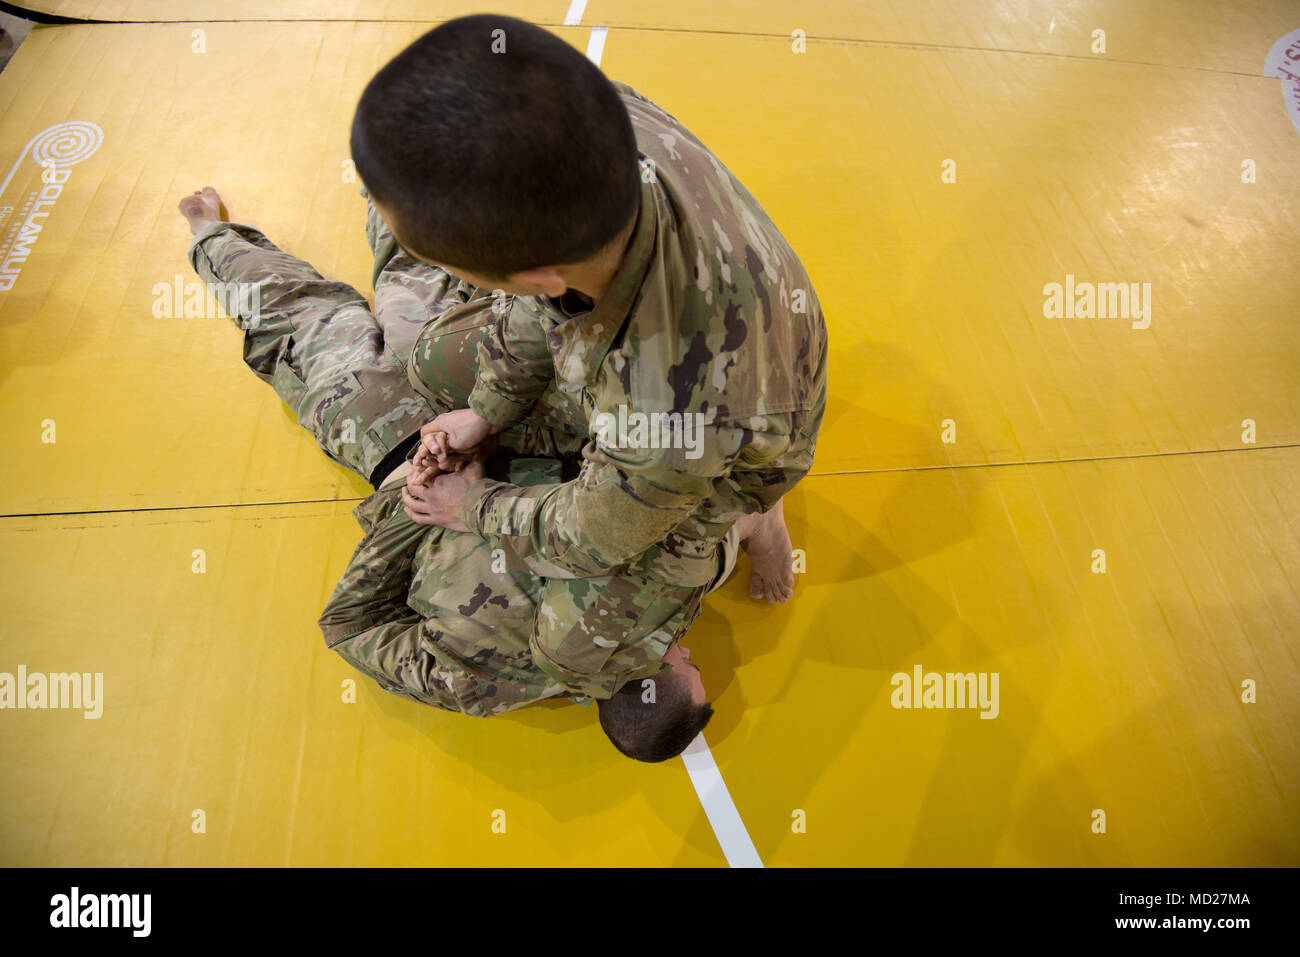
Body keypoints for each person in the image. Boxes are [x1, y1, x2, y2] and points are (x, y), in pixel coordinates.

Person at [177, 186, 750, 761]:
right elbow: (707, 495)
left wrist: (416, 497)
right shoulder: (664, 588)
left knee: (311, 316)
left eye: (687, 663)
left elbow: (350, 625)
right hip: (502, 410)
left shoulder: (479, 681)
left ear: (658, 671)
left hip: (402, 443)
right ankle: (381, 187)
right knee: (382, 292)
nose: (682, 649)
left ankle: (226, 228)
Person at [351, 14, 828, 703]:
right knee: (435, 361)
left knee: (574, 654)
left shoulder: (671, 408)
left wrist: (472, 505)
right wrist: (484, 414)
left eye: (451, 267)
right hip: (688, 378)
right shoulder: (587, 115)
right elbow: (530, 304)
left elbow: (592, 537)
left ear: (541, 274)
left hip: (720, 436)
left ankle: (752, 520)